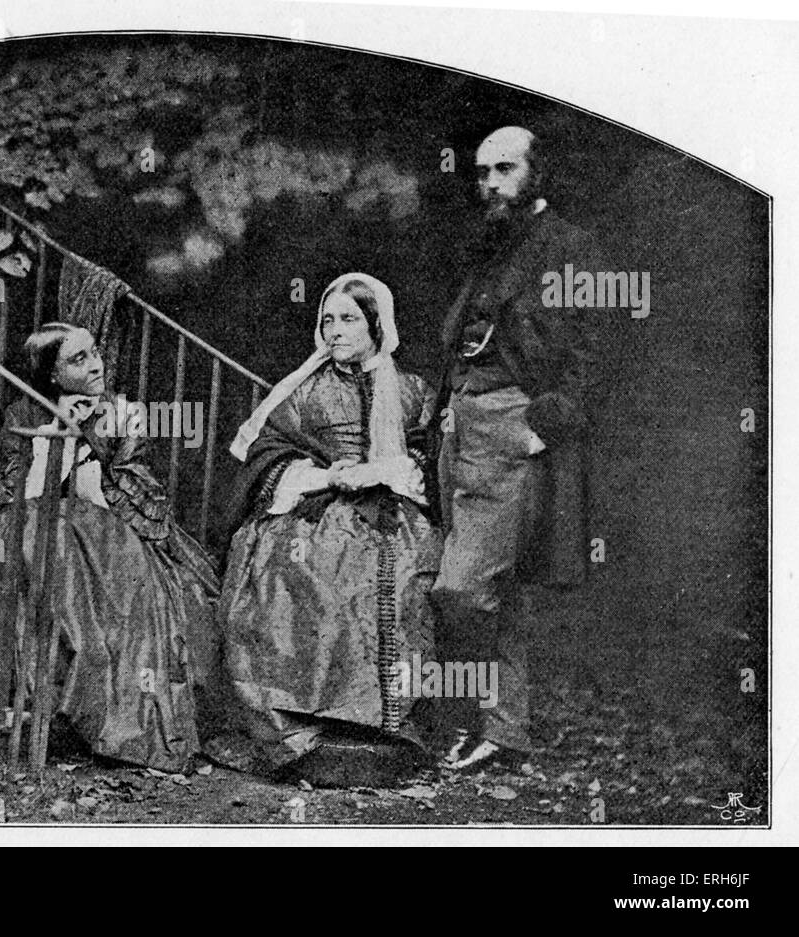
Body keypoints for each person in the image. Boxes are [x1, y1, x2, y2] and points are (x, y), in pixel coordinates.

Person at [0, 323, 221, 772]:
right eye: (78, 359)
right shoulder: (22, 412)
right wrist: (57, 429)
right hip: (38, 522)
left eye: (95, 352)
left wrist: (93, 449)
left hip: (103, 520)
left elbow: (122, 485)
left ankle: (122, 710)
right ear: (53, 375)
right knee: (48, 548)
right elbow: (11, 493)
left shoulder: (121, 410)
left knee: (133, 576)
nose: (96, 364)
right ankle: (64, 700)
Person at [207, 273, 442, 776]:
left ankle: (383, 726)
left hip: (392, 512)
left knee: (406, 578)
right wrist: (321, 475)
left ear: (376, 325)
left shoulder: (411, 389)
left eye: (349, 319)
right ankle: (299, 727)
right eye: (327, 320)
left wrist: (385, 470)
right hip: (313, 511)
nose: (335, 331)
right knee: (296, 579)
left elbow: (427, 453)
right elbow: (267, 452)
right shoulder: (303, 390)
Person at [431, 126, 600, 770]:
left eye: (505, 169)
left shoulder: (570, 248)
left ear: (536, 172)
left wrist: (544, 425)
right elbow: (463, 337)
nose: (491, 183)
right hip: (461, 421)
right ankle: (502, 726)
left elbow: (596, 355)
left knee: (462, 587)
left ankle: (479, 718)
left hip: (513, 422)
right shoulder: (488, 243)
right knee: (497, 587)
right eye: (482, 173)